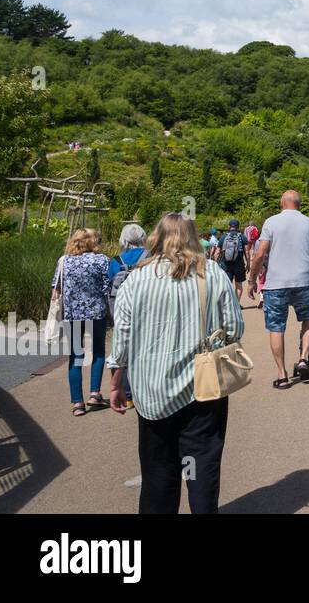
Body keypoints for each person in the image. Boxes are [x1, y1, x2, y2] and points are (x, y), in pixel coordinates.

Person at [108, 212, 243, 514]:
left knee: (158, 473)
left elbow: (122, 338)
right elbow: (235, 328)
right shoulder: (213, 274)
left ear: (156, 237)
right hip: (203, 388)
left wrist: (116, 382)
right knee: (202, 468)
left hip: (152, 392)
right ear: (193, 238)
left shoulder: (136, 279)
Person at [248, 190, 309, 388]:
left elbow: (259, 255)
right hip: (304, 281)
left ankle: (282, 375)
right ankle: (303, 358)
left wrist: (251, 280)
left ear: (281, 203)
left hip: (276, 284)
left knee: (276, 326)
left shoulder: (271, 222)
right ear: (299, 204)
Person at [51, 228, 111, 416]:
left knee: (76, 356)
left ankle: (78, 402)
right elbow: (106, 287)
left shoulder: (64, 261)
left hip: (72, 315)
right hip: (96, 313)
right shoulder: (101, 260)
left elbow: (56, 289)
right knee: (99, 351)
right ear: (91, 241)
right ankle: (95, 393)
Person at [107, 223, 146, 402]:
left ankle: (128, 395)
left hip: (121, 311)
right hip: (145, 309)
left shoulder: (115, 261)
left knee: (123, 350)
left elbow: (107, 286)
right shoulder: (150, 257)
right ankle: (144, 390)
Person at [219, 219, 250, 304]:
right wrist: (248, 264)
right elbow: (247, 251)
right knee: (239, 286)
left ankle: (227, 305)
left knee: (226, 286)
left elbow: (218, 252)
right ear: (238, 227)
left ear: (229, 226)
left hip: (226, 265)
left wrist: (216, 263)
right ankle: (236, 304)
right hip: (239, 265)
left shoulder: (224, 237)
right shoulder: (242, 237)